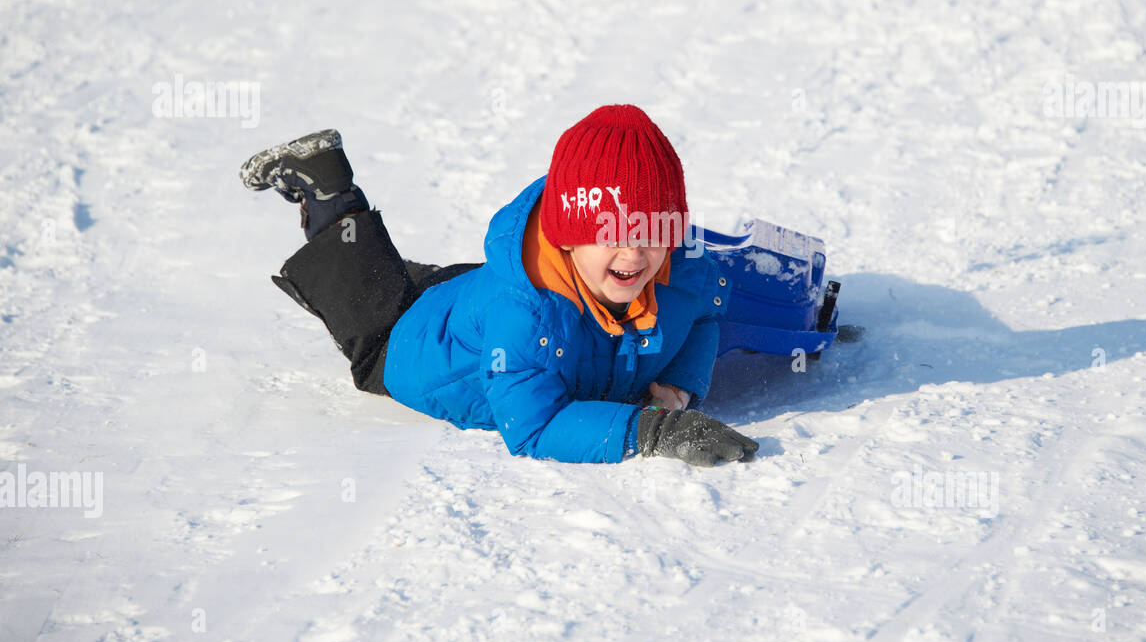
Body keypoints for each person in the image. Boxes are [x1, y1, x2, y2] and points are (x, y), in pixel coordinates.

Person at [240, 104, 758, 466]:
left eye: (651, 234)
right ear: (569, 237)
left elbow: (706, 310)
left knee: (443, 290)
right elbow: (533, 426)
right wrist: (653, 432)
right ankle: (328, 192)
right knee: (368, 306)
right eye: (610, 235)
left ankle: (408, 272)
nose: (634, 254)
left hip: (473, 296)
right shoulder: (524, 318)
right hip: (414, 346)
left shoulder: (678, 270)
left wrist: (682, 383)